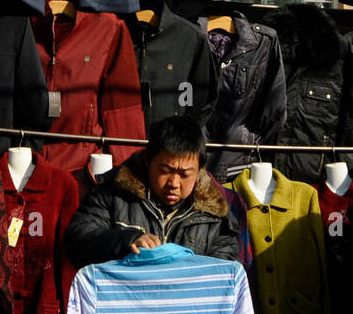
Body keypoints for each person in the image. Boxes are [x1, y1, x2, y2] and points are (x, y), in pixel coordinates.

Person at [65, 115, 240, 268]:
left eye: (185, 174)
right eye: (165, 171)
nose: (174, 183)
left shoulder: (214, 216)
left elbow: (222, 270)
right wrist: (127, 241)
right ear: (147, 161)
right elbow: (78, 239)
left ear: (199, 170)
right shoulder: (113, 193)